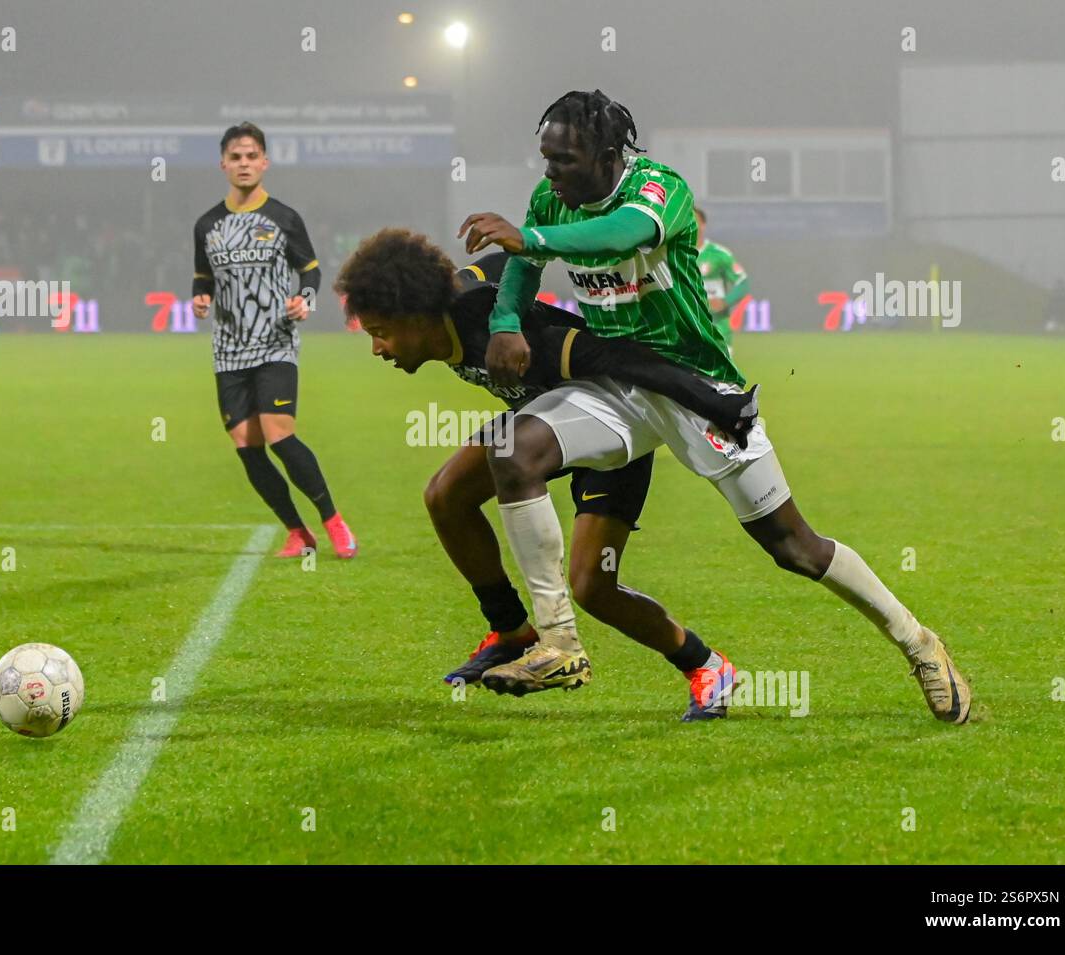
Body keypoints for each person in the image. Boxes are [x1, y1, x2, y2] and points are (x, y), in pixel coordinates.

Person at [456, 89, 971, 723]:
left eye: (563, 159)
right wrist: (505, 319)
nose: (549, 172)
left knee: (794, 548)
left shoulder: (656, 188)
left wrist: (530, 235)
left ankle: (921, 645)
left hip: (697, 387)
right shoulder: (550, 200)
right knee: (516, 448)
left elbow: (624, 235)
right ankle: (559, 643)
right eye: (544, 158)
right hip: (617, 386)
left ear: (608, 154)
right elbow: (523, 266)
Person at [335, 230, 757, 716]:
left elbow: (611, 358)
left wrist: (712, 401)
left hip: (607, 423)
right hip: (540, 428)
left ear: (417, 319)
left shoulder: (494, 332)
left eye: (380, 332)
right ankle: (512, 629)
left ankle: (706, 665)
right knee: (446, 495)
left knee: (593, 588)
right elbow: (500, 267)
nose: (377, 349)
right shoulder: (454, 304)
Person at [193, 123, 357, 559]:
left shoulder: (283, 218)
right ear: (223, 163)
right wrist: (200, 296)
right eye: (236, 157)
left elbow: (311, 269)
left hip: (275, 343)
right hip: (228, 349)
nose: (243, 164)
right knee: (247, 446)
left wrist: (305, 299)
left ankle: (334, 521)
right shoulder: (207, 224)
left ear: (264, 162)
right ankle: (298, 532)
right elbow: (202, 274)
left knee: (279, 434)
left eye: (251, 156)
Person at [695, 206, 750, 352]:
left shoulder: (718, 254)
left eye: (695, 220)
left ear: (703, 225)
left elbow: (742, 283)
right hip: (687, 331)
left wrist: (725, 302)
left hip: (718, 330)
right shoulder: (674, 254)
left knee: (717, 375)